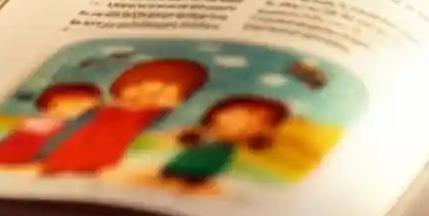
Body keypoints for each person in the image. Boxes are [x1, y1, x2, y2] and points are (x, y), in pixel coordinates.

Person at [41, 58, 208, 175]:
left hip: (99, 159)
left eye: (162, 92)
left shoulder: (152, 115)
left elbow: (168, 129)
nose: (147, 96)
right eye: (139, 86)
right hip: (71, 152)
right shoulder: (103, 108)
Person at [160, 95, 290, 188]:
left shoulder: (234, 145)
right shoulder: (203, 134)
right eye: (250, 114)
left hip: (204, 173)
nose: (252, 123)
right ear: (216, 114)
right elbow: (177, 136)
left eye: (265, 121)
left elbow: (261, 147)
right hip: (180, 167)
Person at [0, 83, 101, 167]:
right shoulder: (34, 124)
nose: (81, 109)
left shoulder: (72, 127)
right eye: (76, 104)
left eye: (87, 107)